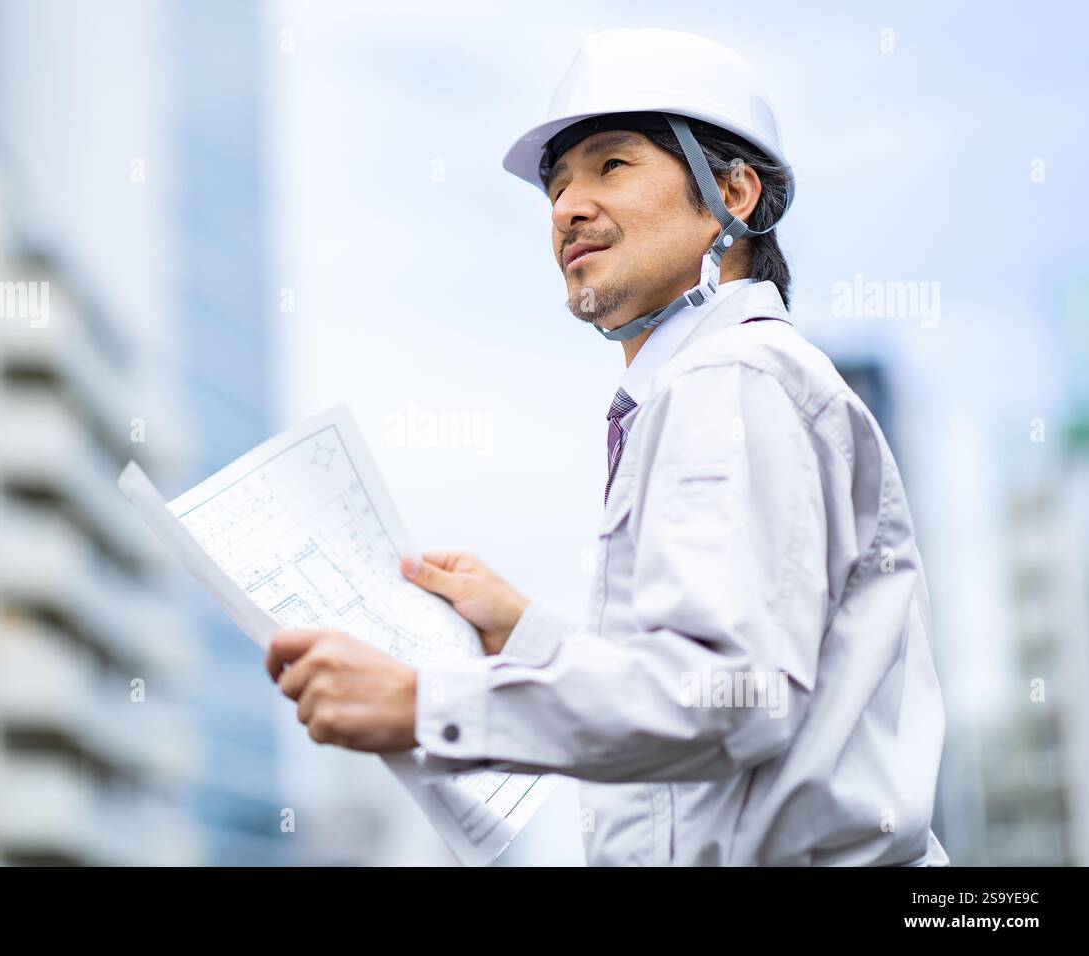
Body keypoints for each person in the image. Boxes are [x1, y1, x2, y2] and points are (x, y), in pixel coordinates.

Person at [265, 27, 949, 866]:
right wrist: (531, 637)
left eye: (611, 166)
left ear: (732, 192)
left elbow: (729, 700)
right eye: (556, 185)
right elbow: (720, 684)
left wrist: (424, 705)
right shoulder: (713, 384)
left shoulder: (728, 380)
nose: (566, 208)